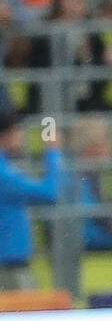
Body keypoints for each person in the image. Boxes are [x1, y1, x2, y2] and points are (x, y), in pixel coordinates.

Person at [0, 110, 62, 290]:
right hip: (9, 269)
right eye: (18, 131)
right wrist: (53, 152)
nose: (23, 137)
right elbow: (51, 193)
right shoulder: (4, 175)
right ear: (6, 135)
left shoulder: (6, 170)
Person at [66, 117, 112, 251]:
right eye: (107, 140)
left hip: (95, 239)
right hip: (88, 242)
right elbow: (94, 216)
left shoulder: (92, 175)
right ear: (93, 147)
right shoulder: (74, 177)